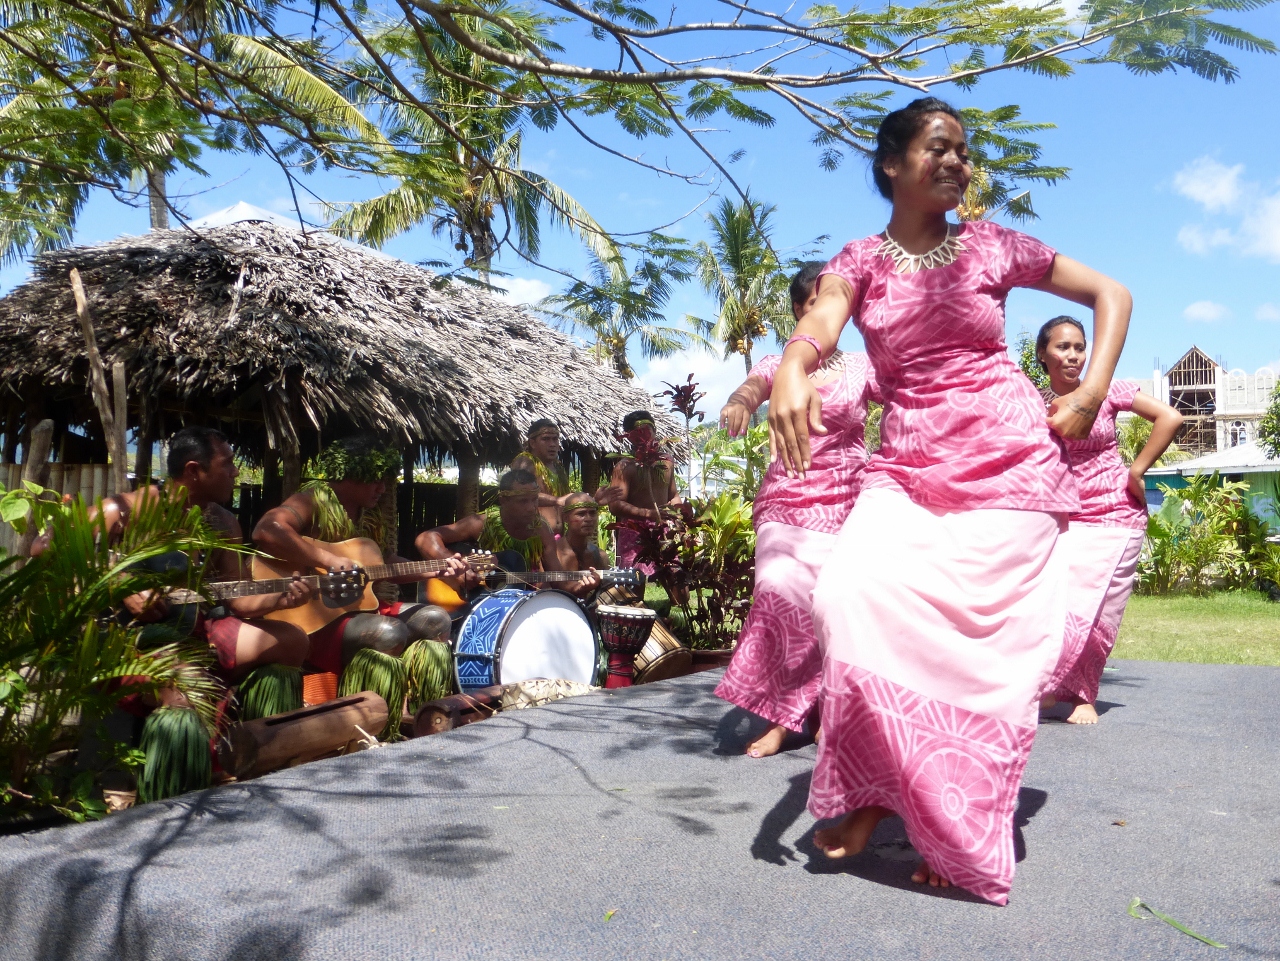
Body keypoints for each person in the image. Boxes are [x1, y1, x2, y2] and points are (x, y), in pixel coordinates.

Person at [767, 97, 1131, 904]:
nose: (958, 163)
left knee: (977, 650)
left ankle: (948, 816)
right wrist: (794, 363)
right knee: (846, 595)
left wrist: (1091, 389)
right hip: (908, 464)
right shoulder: (860, 258)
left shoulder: (992, 244)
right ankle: (878, 787)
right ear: (891, 162)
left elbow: (1111, 292)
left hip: (1008, 465)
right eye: (939, 147)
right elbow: (825, 313)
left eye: (964, 151)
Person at [715, 262, 880, 759]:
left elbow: (906, 399)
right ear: (798, 310)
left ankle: (830, 711)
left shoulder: (862, 367)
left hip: (849, 500)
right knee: (777, 588)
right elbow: (753, 387)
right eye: (815, 302)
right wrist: (741, 402)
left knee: (839, 602)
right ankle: (778, 717)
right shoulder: (777, 363)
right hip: (788, 498)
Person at [34, 426, 314, 681]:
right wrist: (118, 583)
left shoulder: (224, 523)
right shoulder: (126, 510)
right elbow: (44, 548)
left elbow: (238, 597)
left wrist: (281, 598)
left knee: (292, 641)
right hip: (122, 638)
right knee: (184, 679)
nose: (235, 472)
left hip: (188, 630)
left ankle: (237, 708)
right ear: (194, 470)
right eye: (227, 463)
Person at [1036, 316, 1181, 724]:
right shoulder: (1034, 403)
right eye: (1063, 347)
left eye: (1079, 347)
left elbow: (1171, 417)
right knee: (1059, 606)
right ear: (1043, 354)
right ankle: (1049, 685)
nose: (1073, 355)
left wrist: (1137, 470)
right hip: (1066, 515)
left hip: (1117, 513)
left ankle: (1083, 695)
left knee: (1101, 611)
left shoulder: (1106, 391)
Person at [253, 436, 464, 682]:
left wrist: (436, 570)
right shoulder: (311, 500)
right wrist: (329, 560)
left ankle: (418, 697)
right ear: (350, 475)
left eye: (385, 481)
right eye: (375, 480)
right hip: (312, 619)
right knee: (389, 632)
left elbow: (383, 565)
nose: (382, 489)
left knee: (435, 619)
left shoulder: (370, 517)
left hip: (359, 609)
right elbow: (266, 531)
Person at [417, 469, 600, 599]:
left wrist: (581, 588)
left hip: (517, 604)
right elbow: (425, 538)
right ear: (503, 500)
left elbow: (559, 582)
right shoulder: (481, 523)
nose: (531, 508)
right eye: (523, 501)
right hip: (472, 600)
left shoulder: (541, 530)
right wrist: (457, 569)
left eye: (534, 500)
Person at [596, 410, 681, 574]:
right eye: (638, 432)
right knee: (634, 581)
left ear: (654, 431)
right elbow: (615, 505)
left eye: (647, 430)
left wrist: (677, 515)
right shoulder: (624, 466)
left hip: (662, 528)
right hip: (634, 530)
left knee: (673, 577)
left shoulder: (667, 462)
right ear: (630, 437)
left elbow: (673, 495)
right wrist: (648, 514)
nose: (644, 436)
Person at [511, 419, 574, 533]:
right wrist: (557, 500)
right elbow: (520, 494)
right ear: (532, 443)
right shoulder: (525, 461)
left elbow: (565, 500)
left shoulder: (558, 467)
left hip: (559, 536)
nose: (552, 444)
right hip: (532, 536)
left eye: (555, 439)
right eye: (546, 439)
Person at [561, 492, 611, 573]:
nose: (588, 519)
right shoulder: (553, 554)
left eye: (592, 513)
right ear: (565, 518)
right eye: (581, 514)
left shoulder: (601, 557)